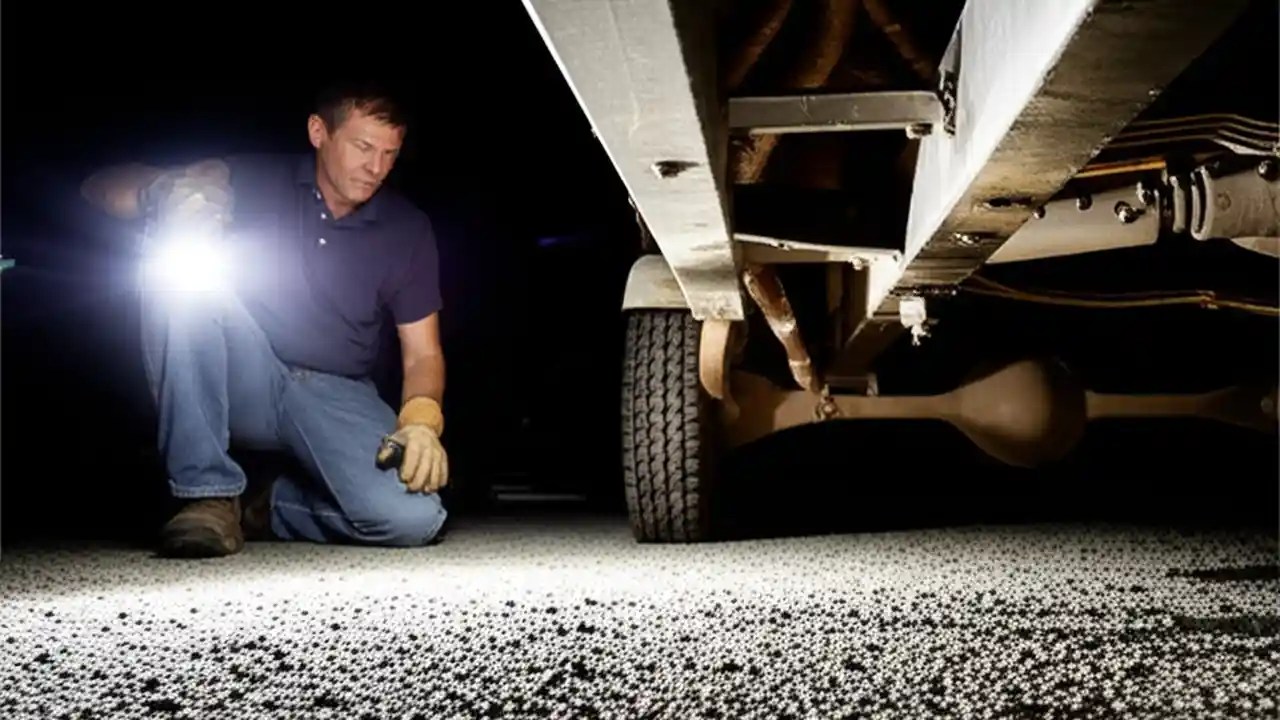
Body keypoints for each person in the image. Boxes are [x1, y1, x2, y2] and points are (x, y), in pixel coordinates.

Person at [80, 81, 450, 558]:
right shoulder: (250, 178)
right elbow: (96, 188)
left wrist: (421, 420)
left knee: (413, 518)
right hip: (246, 372)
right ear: (319, 131)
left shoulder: (408, 228)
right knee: (173, 259)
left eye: (389, 153)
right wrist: (166, 189)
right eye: (363, 146)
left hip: (337, 391)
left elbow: (423, 352)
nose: (376, 167)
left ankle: (264, 503)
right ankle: (206, 494)